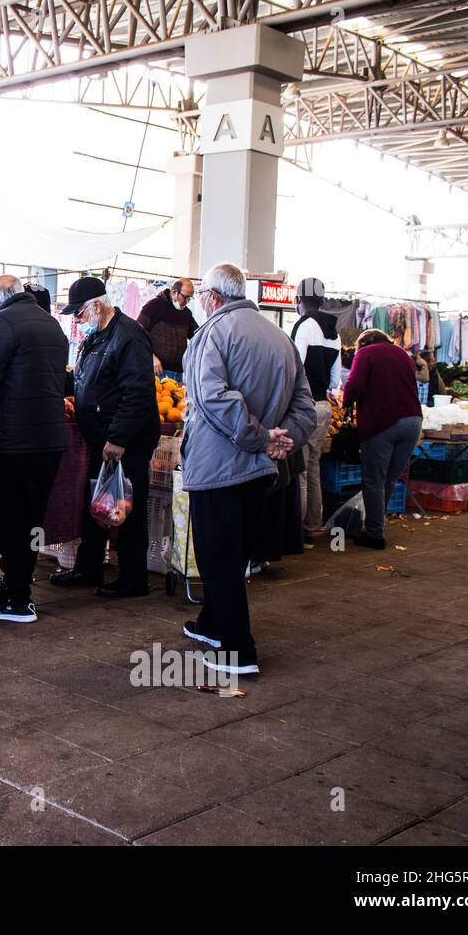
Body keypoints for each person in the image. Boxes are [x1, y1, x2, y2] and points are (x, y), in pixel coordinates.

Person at [180, 263, 316, 675]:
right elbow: (305, 407)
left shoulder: (213, 334)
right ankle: (211, 624)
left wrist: (260, 437)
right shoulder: (280, 338)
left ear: (214, 297)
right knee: (234, 552)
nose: (199, 302)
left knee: (217, 556)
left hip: (221, 465)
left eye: (201, 294)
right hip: (261, 471)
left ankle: (238, 651)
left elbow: (213, 397)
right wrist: (283, 437)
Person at [0, 274, 69, 623]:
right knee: (31, 518)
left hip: (16, 439)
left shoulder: (0, 323)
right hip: (51, 439)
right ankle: (17, 588)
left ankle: (17, 599)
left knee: (11, 519)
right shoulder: (51, 324)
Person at [50, 276, 160, 597]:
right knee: (98, 504)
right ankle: (89, 567)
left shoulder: (128, 336)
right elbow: (86, 380)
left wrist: (119, 438)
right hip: (102, 439)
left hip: (126, 443)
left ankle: (133, 579)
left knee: (125, 507)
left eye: (80, 313)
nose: (78, 320)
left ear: (97, 305)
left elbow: (138, 393)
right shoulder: (97, 336)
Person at [343, 329, 424, 551]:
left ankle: (375, 534)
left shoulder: (366, 354)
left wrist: (346, 402)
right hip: (413, 421)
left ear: (363, 343)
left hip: (382, 423)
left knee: (374, 481)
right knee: (389, 480)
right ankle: (376, 526)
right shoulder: (402, 354)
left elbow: (355, 384)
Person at [291, 277, 343, 544]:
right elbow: (335, 381)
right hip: (324, 406)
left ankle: (297, 532)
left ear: (298, 300)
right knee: (313, 467)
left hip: (304, 407)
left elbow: (295, 370)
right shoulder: (334, 332)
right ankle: (313, 525)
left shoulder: (303, 327)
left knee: (299, 470)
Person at [137, 277, 197, 378]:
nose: (187, 301)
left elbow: (197, 335)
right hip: (155, 371)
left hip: (178, 373)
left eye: (190, 298)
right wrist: (152, 358)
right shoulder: (153, 307)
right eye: (185, 297)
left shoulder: (186, 313)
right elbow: (136, 335)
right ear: (174, 292)